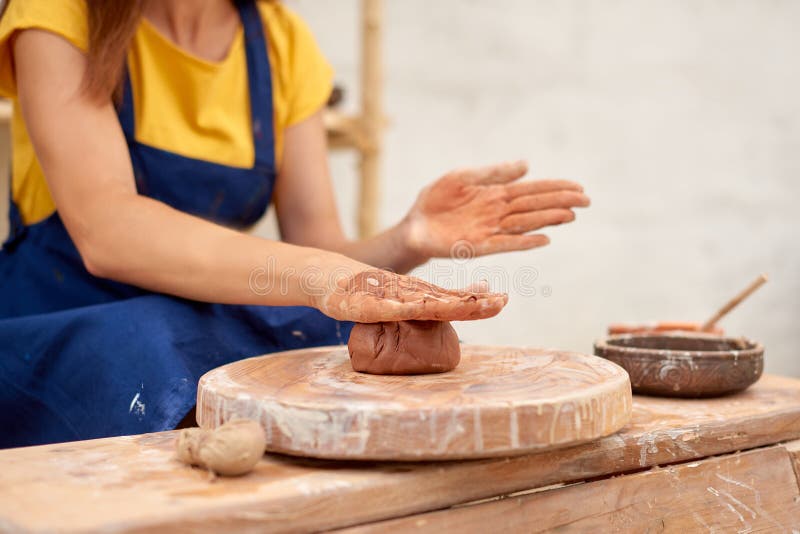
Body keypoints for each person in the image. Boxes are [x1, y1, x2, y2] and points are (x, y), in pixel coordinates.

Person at [0, 0, 590, 448]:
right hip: (61, 320)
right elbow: (108, 231)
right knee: (155, 345)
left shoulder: (280, 42)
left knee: (315, 345)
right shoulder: (58, 12)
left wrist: (408, 240)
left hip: (196, 314)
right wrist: (323, 273)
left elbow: (319, 250)